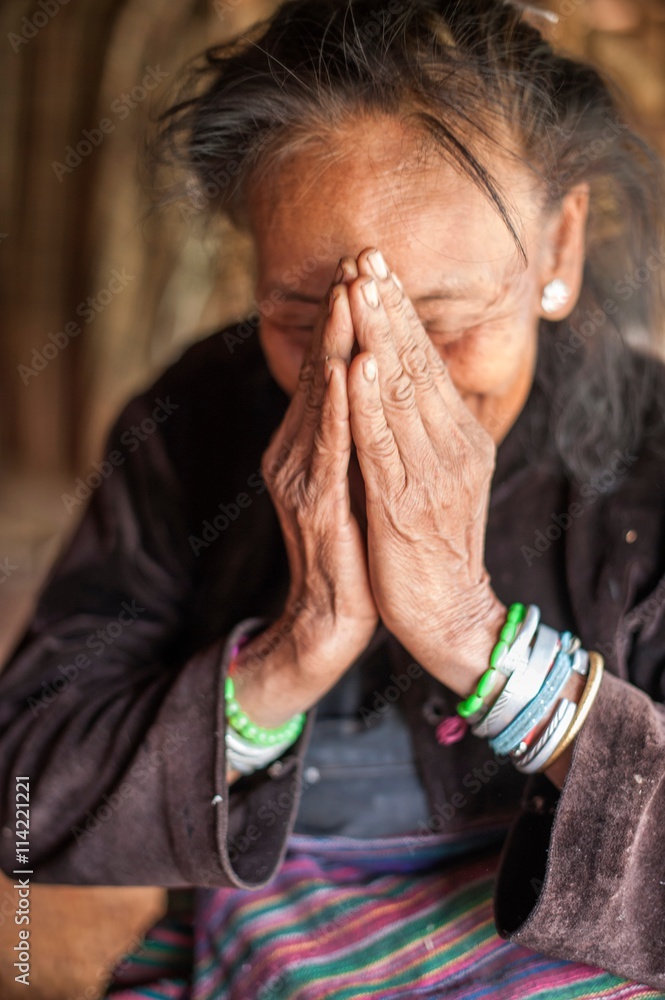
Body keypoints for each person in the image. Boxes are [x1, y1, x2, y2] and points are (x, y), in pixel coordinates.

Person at [1, 0, 665, 996]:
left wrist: (476, 643)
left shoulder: (649, 463)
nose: (374, 377)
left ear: (558, 249)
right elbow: (23, 805)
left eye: (442, 320)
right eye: (302, 317)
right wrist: (294, 649)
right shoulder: (188, 423)